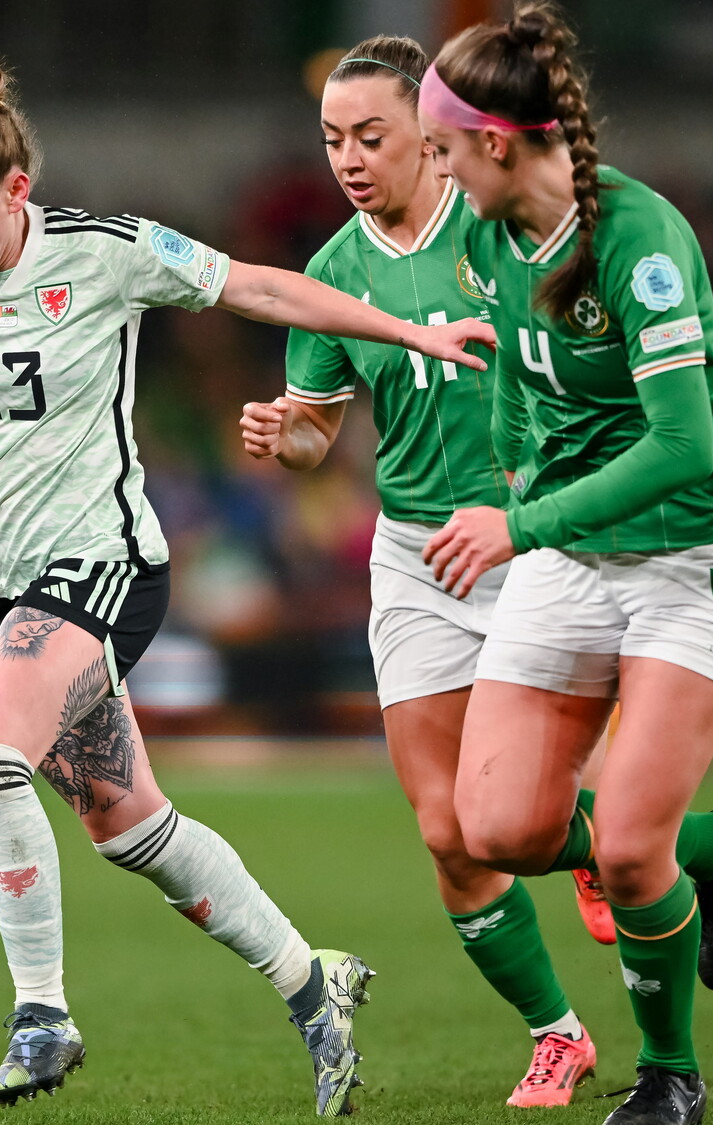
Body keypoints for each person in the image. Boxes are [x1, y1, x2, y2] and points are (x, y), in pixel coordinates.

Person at [0, 33, 497, 1117]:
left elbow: (262, 291)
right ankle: (309, 980)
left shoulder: (104, 251)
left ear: (15, 188)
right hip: (2, 588)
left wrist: (406, 336)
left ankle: (41, 1013)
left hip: (101, 564)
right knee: (126, 825)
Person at [414, 7, 713, 1123]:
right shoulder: (484, 239)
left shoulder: (636, 241)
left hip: (692, 554)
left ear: (495, 142)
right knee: (501, 831)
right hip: (570, 553)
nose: (431, 167)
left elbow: (684, 447)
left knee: (624, 852)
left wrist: (517, 528)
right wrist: (516, 476)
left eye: (438, 145)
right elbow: (515, 379)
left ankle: (669, 1073)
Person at [237, 36, 609, 1108]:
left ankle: (628, 844)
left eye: (370, 136)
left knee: (523, 814)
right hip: (413, 560)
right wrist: (283, 434)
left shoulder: (500, 234)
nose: (347, 158)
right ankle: (558, 1033)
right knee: (447, 832)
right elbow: (316, 437)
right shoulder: (331, 276)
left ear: (430, 139)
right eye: (330, 140)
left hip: (532, 541)